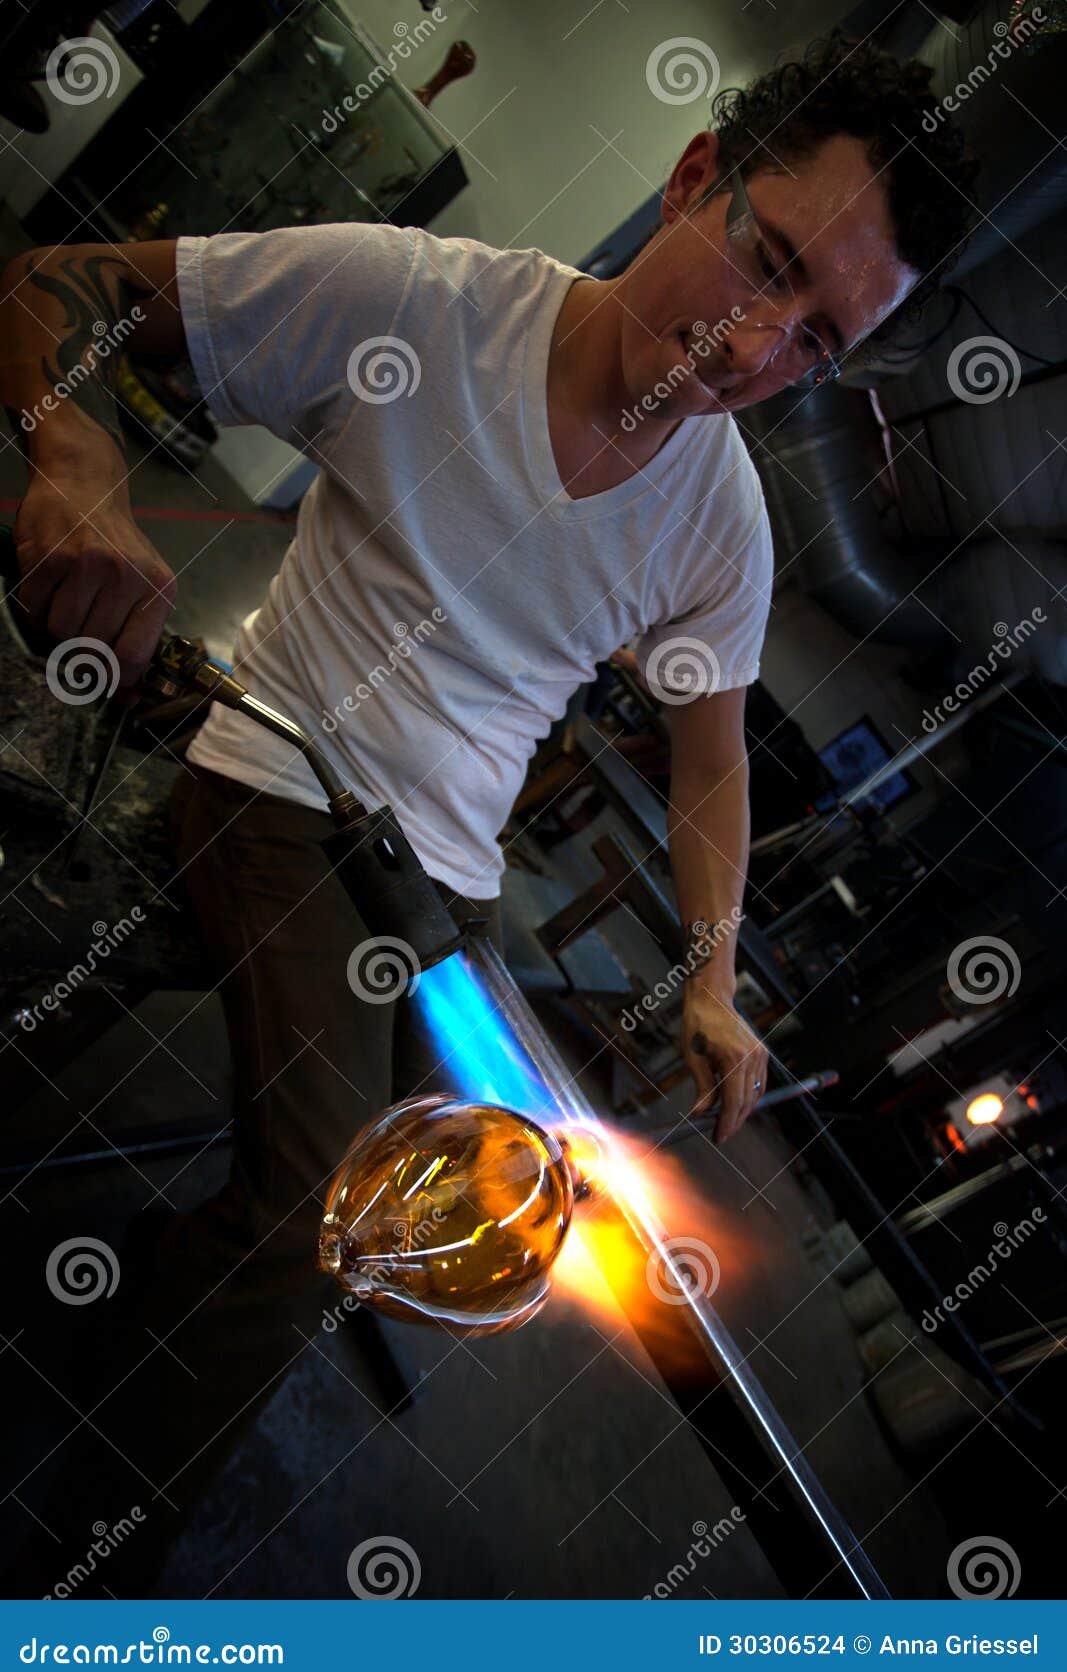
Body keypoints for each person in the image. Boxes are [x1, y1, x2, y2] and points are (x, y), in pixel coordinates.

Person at [0, 30, 976, 1591]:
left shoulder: (719, 519)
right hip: (284, 766)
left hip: (443, 878)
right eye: (765, 260)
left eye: (817, 338)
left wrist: (715, 981)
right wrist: (78, 461)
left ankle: (161, 1305)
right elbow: (60, 280)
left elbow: (713, 758)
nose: (753, 347)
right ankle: (72, 1584)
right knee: (313, 1209)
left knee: (449, 1217)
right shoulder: (419, 302)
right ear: (696, 172)